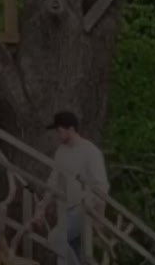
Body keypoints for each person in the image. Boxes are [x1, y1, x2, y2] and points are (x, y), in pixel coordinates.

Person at [29, 111, 108, 265]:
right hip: (67, 208)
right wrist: (42, 207)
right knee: (74, 251)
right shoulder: (61, 152)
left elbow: (102, 186)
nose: (57, 135)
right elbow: (53, 181)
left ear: (70, 130)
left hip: (85, 208)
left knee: (56, 239)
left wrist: (100, 216)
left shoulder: (90, 152)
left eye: (59, 131)